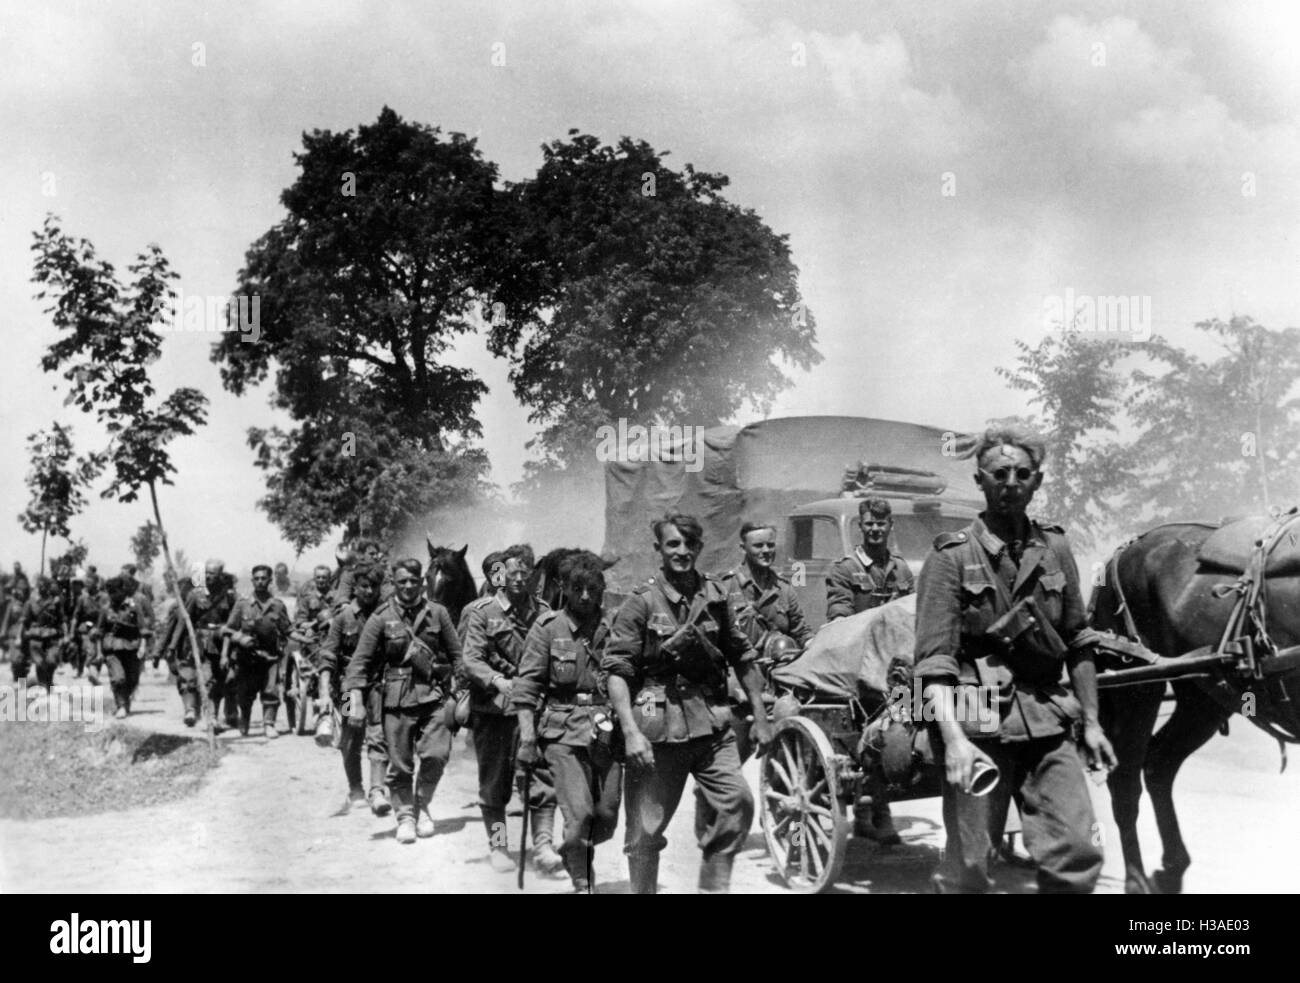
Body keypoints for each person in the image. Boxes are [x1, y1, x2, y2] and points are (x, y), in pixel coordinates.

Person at [914, 427, 1117, 894]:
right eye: (999, 473)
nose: (1011, 481)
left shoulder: (1056, 548)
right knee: (970, 863)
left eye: (1022, 473)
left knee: (1077, 848)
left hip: (1047, 715)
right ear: (980, 480)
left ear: (1037, 481)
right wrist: (954, 743)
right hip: (977, 719)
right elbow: (934, 663)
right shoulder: (951, 556)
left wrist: (1091, 722)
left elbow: (1077, 639)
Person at [604, 511, 772, 894]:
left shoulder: (716, 596)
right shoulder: (641, 602)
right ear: (659, 550)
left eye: (689, 544)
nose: (682, 552)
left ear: (699, 547)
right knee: (645, 830)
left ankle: (713, 888)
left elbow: (743, 658)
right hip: (655, 722)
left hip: (710, 723)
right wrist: (631, 732)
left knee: (738, 804)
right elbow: (618, 671)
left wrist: (761, 718)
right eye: (673, 544)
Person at [514, 551, 623, 893]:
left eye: (593, 588)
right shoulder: (548, 628)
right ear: (564, 588)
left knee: (606, 818)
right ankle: (582, 880)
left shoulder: (616, 627)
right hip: (562, 733)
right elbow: (526, 688)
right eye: (578, 589)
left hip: (607, 732)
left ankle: (573, 852)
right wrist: (529, 740)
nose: (586, 596)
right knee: (579, 819)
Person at [343, 558, 461, 844]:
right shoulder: (381, 617)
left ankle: (422, 805)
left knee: (436, 755)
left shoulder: (438, 613)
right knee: (401, 764)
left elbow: (457, 655)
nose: (408, 586)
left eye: (413, 580)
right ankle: (406, 816)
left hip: (434, 695)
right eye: (401, 581)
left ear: (422, 582)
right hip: (395, 700)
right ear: (393, 584)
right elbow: (358, 663)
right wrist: (354, 699)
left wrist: (460, 691)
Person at [461, 546, 562, 874]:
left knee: (543, 779)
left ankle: (544, 847)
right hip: (494, 711)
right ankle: (499, 845)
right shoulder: (482, 612)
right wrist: (497, 681)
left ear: (534, 575)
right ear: (500, 574)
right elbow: (471, 659)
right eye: (511, 572)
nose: (518, 579)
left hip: (535, 710)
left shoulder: (545, 611)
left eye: (525, 572)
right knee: (495, 786)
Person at [318, 564, 389, 814]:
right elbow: (328, 655)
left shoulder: (388, 614)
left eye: (374, 586)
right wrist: (325, 692)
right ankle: (355, 788)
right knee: (350, 736)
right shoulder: (343, 617)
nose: (369, 591)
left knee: (379, 735)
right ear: (355, 588)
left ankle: (378, 790)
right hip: (349, 686)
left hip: (380, 685)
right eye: (363, 586)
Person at [169, 561, 240, 729]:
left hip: (224, 643)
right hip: (202, 644)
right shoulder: (196, 595)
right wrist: (173, 646)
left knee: (226, 679)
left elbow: (235, 621)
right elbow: (183, 622)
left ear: (220, 575)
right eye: (206, 573)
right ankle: (211, 718)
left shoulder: (230, 596)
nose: (208, 576)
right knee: (208, 679)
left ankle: (227, 712)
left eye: (212, 573)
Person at [224, 565, 291, 738]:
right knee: (245, 693)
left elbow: (287, 629)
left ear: (270, 580)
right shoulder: (243, 604)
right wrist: (240, 639)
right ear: (252, 580)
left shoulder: (277, 606)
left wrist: (303, 637)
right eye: (257, 578)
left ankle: (269, 724)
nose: (260, 582)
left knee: (271, 691)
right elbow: (228, 629)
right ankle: (244, 721)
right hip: (247, 658)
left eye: (264, 578)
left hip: (270, 656)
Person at [826, 497, 915, 623]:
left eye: (881, 524)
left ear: (891, 525)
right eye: (869, 524)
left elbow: (913, 611)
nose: (874, 529)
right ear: (860, 526)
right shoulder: (844, 569)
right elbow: (840, 613)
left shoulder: (901, 569)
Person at [93, 575, 153, 718]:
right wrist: (98, 653)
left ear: (123, 590)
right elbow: (99, 632)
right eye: (110, 592)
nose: (113, 595)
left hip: (131, 647)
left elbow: (143, 629)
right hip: (112, 648)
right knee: (118, 678)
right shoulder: (105, 609)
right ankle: (121, 706)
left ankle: (125, 702)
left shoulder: (134, 607)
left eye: (115, 591)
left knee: (133, 679)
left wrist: (143, 647)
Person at [19, 575, 68, 688]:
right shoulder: (31, 602)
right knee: (39, 663)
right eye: (39, 585)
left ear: (48, 587)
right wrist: (19, 636)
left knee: (51, 661)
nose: (41, 588)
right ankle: (43, 685)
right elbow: (24, 620)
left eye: (44, 585)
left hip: (51, 635)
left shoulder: (55, 602)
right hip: (36, 636)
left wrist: (66, 635)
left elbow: (62, 619)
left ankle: (48, 681)